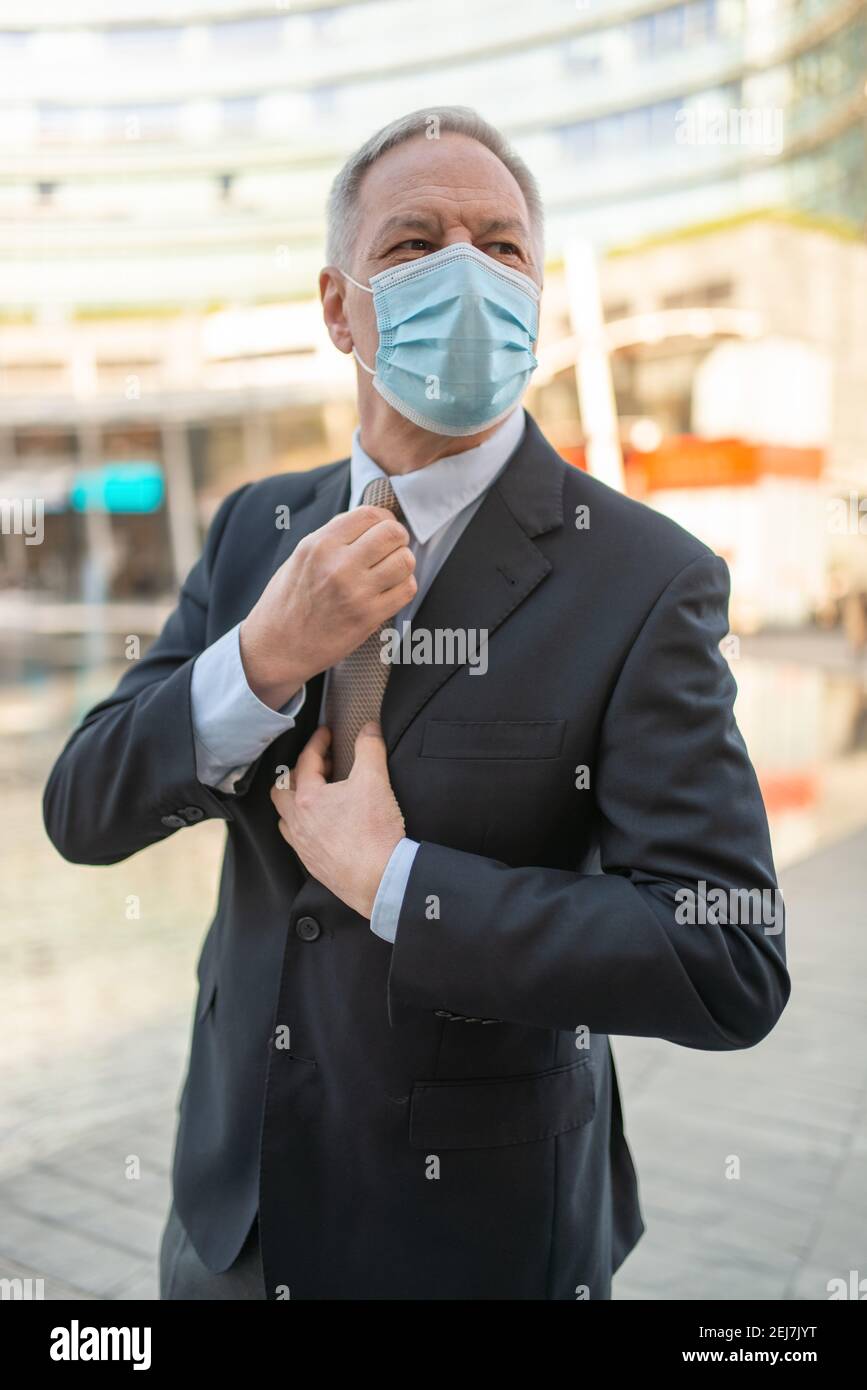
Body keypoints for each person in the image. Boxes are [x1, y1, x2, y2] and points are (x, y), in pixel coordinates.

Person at [43, 107, 790, 1301]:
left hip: (479, 1241)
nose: (470, 273)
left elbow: (729, 954)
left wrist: (400, 882)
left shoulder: (645, 577)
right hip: (233, 1221)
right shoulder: (254, 529)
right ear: (339, 307)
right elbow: (83, 810)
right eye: (414, 244)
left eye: (503, 248)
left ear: (537, 306)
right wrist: (262, 656)